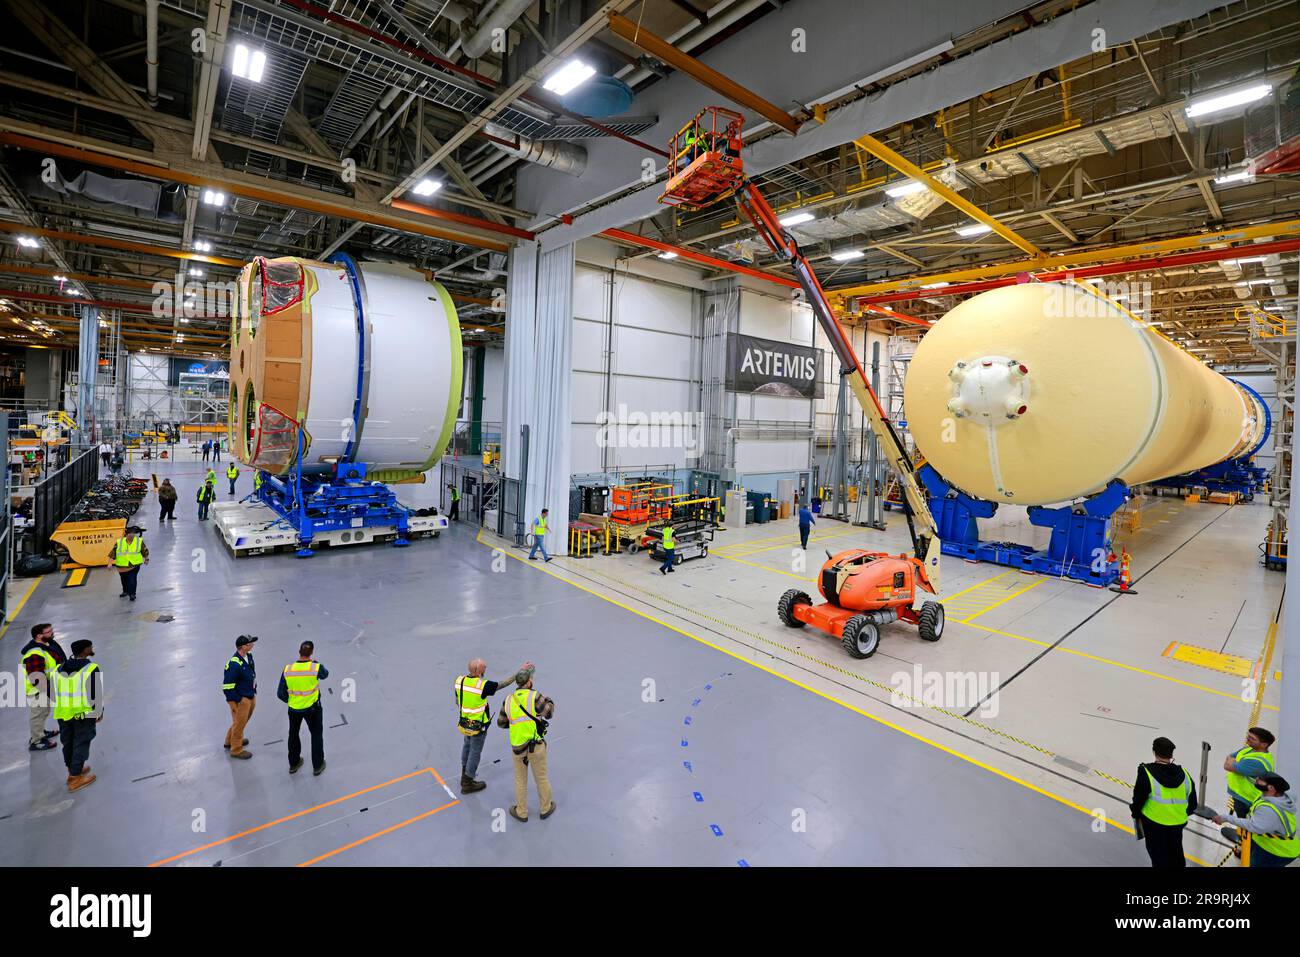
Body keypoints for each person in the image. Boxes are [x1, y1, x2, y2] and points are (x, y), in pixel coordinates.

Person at [455, 657, 530, 794]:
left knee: (466, 746)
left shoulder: (460, 681)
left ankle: (463, 775)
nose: (486, 667)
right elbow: (502, 684)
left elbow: (457, 700)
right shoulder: (482, 685)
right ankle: (468, 782)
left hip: (465, 723)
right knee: (475, 752)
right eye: (484, 667)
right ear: (478, 671)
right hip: (478, 726)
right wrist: (520, 672)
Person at [496, 665, 556, 822]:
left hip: (517, 747)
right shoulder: (535, 697)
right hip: (535, 746)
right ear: (529, 683)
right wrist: (549, 700)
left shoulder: (508, 700)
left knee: (520, 781)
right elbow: (548, 713)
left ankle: (521, 812)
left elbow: (501, 723)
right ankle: (545, 807)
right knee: (541, 778)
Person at [1130, 736, 1197, 868]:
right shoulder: (1184, 774)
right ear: (1171, 753)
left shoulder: (1146, 772)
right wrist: (1176, 814)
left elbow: (1138, 800)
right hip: (1177, 824)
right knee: (1176, 855)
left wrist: (1135, 814)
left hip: (1154, 824)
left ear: (1154, 751)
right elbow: (1193, 804)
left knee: (1158, 857)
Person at [1213, 773, 1298, 867]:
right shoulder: (1276, 798)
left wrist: (1226, 818)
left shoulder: (1269, 809)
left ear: (1271, 788)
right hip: (1268, 843)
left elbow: (1253, 826)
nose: (1257, 779)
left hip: (1276, 851)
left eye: (1261, 780)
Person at [53, 639, 102, 792]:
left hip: (63, 712)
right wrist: (98, 711)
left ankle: (73, 769)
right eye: (90, 647)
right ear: (85, 650)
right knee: (82, 741)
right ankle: (75, 778)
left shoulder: (59, 668)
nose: (91, 648)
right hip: (82, 713)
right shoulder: (90, 668)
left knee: (68, 742)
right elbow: (94, 694)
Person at [278, 641, 329, 776]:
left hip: (294, 709)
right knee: (316, 735)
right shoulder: (315, 667)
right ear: (311, 652)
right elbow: (325, 674)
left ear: (299, 651)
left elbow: (281, 693)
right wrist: (315, 662)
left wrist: (293, 701)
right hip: (312, 709)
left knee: (293, 735)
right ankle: (317, 765)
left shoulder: (288, 669)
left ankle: (294, 764)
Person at [21, 622, 65, 752]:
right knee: (38, 715)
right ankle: (37, 741)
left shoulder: (46, 645)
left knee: (44, 712)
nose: (52, 633)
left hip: (47, 687)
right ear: (39, 635)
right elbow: (36, 676)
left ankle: (40, 732)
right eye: (49, 632)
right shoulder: (35, 653)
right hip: (39, 690)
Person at [1225, 727, 1276, 817]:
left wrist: (1233, 763)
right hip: (1239, 794)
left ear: (1264, 744)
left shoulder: (1258, 762)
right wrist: (1234, 763)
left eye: (1252, 738)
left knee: (1244, 824)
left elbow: (1227, 766)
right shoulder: (1248, 749)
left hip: (1246, 799)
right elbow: (1229, 757)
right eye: (1248, 736)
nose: (1248, 739)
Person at [222, 635, 258, 759]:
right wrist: (237, 701)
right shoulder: (234, 664)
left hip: (249, 694)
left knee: (240, 722)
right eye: (250, 643)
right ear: (243, 647)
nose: (252, 644)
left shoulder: (249, 657)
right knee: (239, 723)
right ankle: (236, 749)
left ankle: (229, 740)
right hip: (240, 698)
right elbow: (227, 687)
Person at [107, 526, 148, 602]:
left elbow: (144, 550)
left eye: (133, 534)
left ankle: (132, 594)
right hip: (121, 566)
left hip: (134, 565)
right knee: (124, 579)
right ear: (126, 535)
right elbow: (113, 552)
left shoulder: (139, 541)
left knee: (132, 579)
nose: (132, 536)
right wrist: (110, 563)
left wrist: (146, 558)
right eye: (130, 534)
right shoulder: (120, 542)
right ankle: (125, 591)